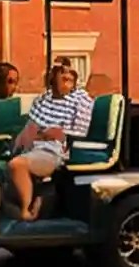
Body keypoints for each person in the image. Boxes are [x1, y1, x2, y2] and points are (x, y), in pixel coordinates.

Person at [7, 65, 93, 221]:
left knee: (17, 164)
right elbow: (31, 126)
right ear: (52, 80)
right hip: (34, 146)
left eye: (71, 80)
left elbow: (79, 132)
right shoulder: (42, 100)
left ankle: (26, 212)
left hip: (55, 149)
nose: (68, 84)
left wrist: (53, 134)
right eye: (64, 79)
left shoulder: (80, 100)